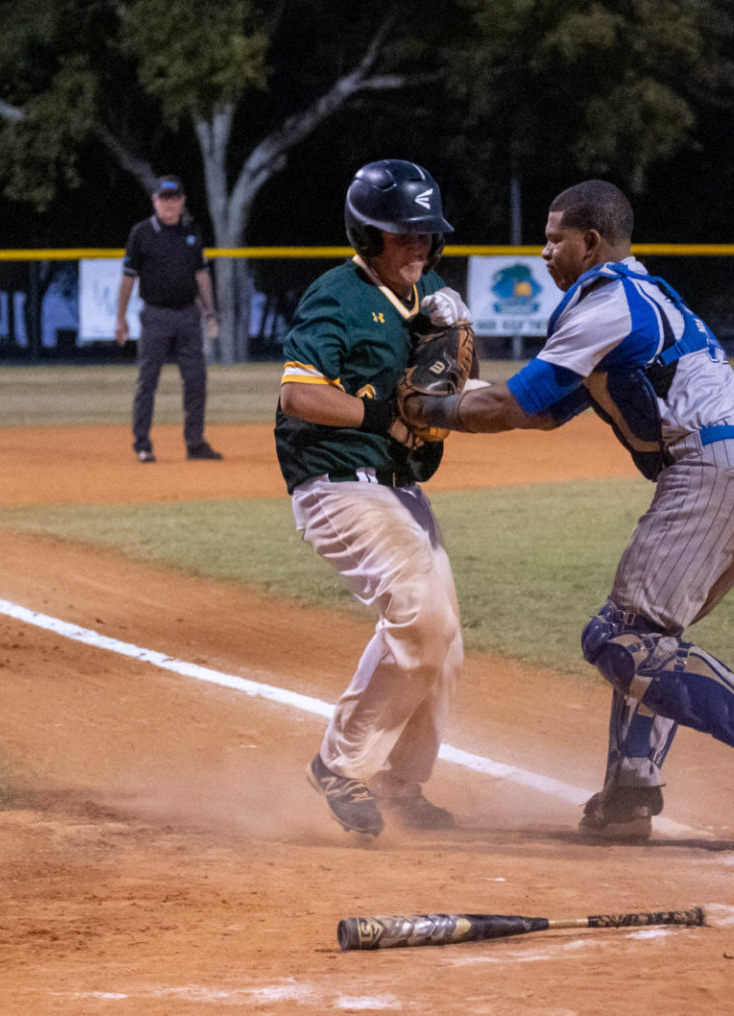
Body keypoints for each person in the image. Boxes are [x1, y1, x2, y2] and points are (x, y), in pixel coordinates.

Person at [401, 179, 734, 841]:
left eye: (555, 240)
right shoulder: (637, 299)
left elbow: (513, 409)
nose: (545, 253)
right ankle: (633, 786)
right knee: (649, 636)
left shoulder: (606, 304)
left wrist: (420, 409)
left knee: (617, 639)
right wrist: (458, 398)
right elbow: (544, 411)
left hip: (716, 475)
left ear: (591, 241)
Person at [276, 159, 473, 837]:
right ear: (368, 236)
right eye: (404, 234)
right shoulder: (336, 296)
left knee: (443, 645)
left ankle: (400, 780)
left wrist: (456, 353)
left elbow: (443, 391)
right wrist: (380, 420)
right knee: (420, 616)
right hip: (334, 483)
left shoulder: (432, 294)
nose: (419, 244)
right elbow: (298, 394)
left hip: (400, 489)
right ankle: (339, 763)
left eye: (427, 233)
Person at [115, 175, 222, 463]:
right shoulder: (141, 233)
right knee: (147, 381)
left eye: (174, 198)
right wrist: (120, 318)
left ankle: (195, 443)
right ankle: (142, 444)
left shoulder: (191, 233)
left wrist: (210, 313)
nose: (169, 203)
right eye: (164, 198)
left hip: (188, 315)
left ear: (182, 200)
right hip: (155, 315)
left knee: (196, 380)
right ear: (155, 200)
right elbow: (127, 278)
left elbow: (202, 275)